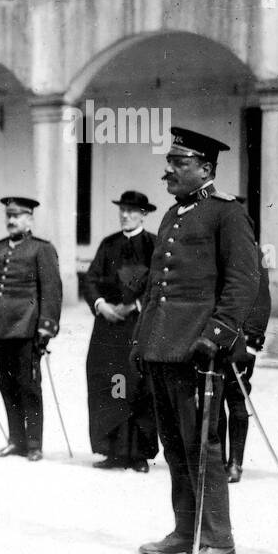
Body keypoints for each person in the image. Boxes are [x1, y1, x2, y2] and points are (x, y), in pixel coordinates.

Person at [135, 127, 259, 554]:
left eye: (178, 162)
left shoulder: (227, 214)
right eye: (169, 161)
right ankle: (185, 531)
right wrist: (142, 340)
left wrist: (219, 333)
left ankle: (218, 541)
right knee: (173, 444)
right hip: (162, 347)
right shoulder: (173, 214)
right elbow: (157, 287)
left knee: (201, 444)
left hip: (197, 349)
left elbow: (244, 280)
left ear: (205, 168)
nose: (167, 169)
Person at [0, 197, 62, 462]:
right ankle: (15, 440)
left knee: (29, 388)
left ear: (29, 219)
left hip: (27, 330)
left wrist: (46, 328)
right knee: (6, 387)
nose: (11, 220)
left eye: (17, 216)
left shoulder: (41, 249)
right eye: (9, 215)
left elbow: (51, 292)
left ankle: (34, 444)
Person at [83, 190, 159, 472]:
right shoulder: (108, 244)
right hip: (107, 328)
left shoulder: (154, 244)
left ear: (144, 214)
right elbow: (90, 280)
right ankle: (112, 450)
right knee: (108, 384)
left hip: (139, 326)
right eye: (122, 210)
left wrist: (135, 305)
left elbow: (160, 282)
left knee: (139, 386)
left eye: (132, 210)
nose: (125, 215)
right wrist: (101, 305)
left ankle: (138, 453)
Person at [222, 199, 272, 484]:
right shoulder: (217, 251)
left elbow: (261, 301)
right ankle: (217, 462)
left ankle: (235, 463)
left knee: (237, 400)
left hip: (242, 342)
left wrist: (252, 342)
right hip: (216, 338)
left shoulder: (255, 253)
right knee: (212, 401)